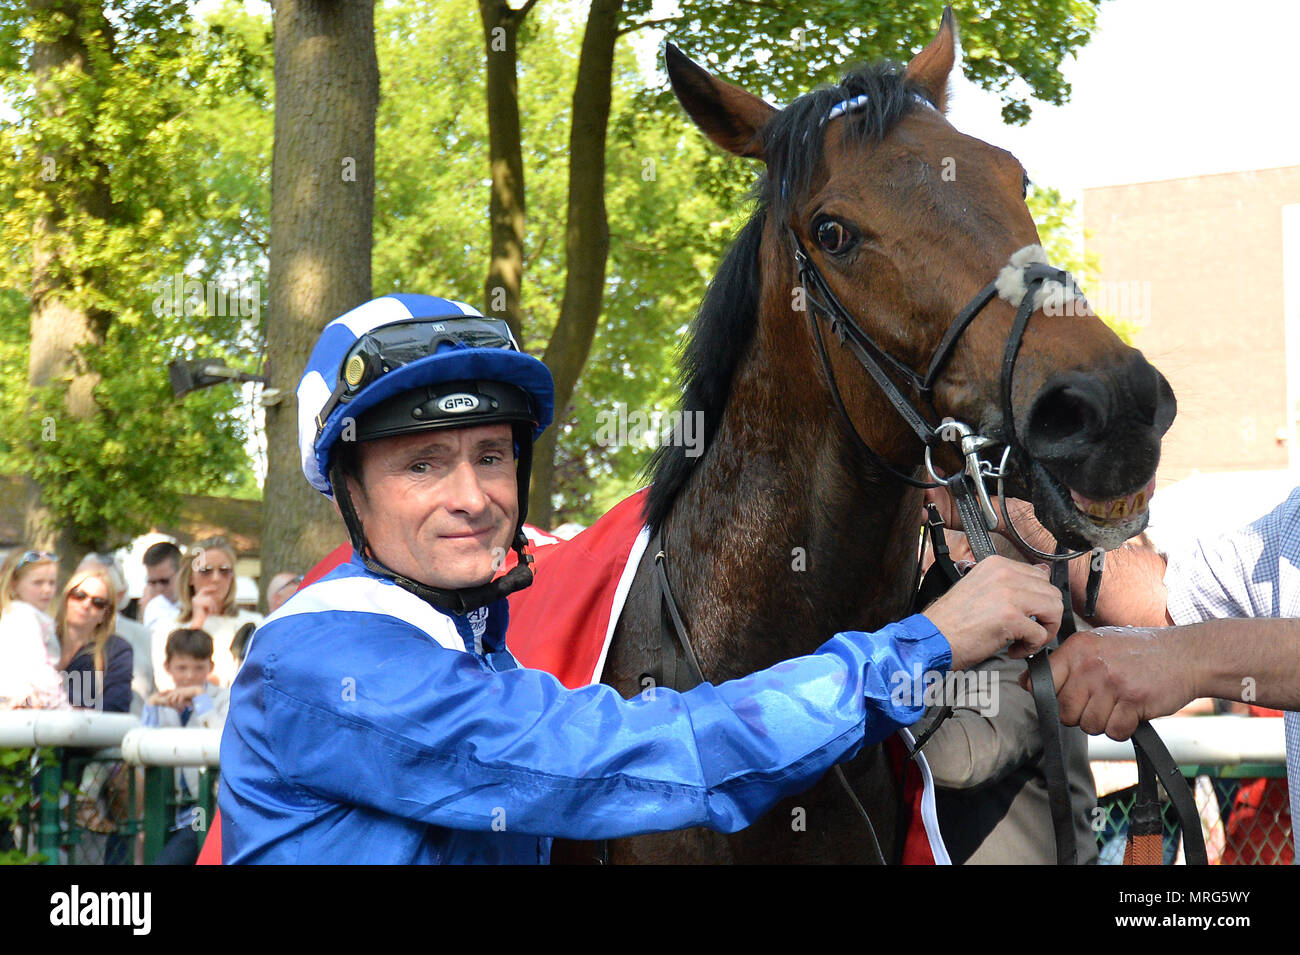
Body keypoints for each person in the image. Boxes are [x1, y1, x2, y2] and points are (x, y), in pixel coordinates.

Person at [219, 294, 1064, 864]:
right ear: (351, 493)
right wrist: (929, 642)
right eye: (423, 464)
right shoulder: (330, 663)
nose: (471, 497)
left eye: (490, 455)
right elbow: (644, 755)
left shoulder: (472, 646)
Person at [1038, 486, 1300, 856]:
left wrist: (1183, 657)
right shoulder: (1295, 518)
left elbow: (1174, 644)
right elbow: (1168, 597)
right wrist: (1014, 519)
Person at [143, 628, 229, 865]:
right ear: (167, 666)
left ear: (210, 667)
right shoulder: (161, 700)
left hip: (207, 807)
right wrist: (151, 706)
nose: (190, 676)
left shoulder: (223, 698)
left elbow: (220, 738)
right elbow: (142, 743)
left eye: (199, 667)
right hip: (168, 808)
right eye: (182, 668)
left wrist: (200, 700)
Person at [150, 537, 261, 691]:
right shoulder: (167, 627)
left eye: (224, 571)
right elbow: (166, 683)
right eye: (205, 571)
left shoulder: (252, 623)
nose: (216, 579)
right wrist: (197, 624)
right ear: (189, 577)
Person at [79, 553, 154, 715]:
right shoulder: (60, 634)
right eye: (79, 594)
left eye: (99, 598)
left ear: (120, 595)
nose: (86, 604)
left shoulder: (144, 636)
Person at [0, 549, 64, 709]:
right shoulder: (23, 617)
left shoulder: (23, 614)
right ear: (14, 585)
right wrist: (61, 706)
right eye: (38, 583)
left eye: (52, 582)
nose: (47, 590)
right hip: (24, 704)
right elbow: (39, 670)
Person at [141, 541, 182, 632]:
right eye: (152, 582)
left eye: (164, 581)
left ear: (181, 572)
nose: (159, 589)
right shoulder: (153, 606)